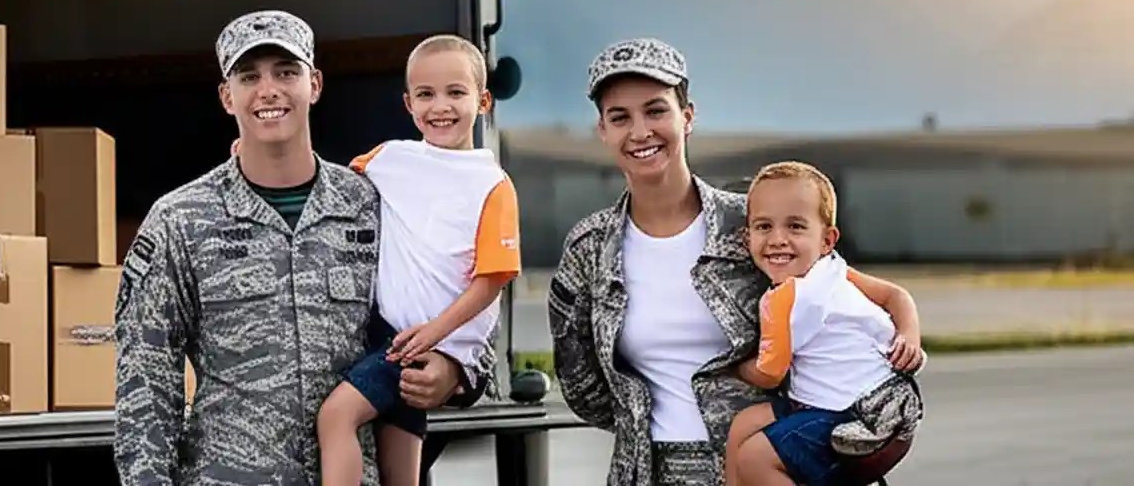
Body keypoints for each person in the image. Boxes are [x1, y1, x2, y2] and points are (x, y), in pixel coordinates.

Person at [114, 10, 475, 486]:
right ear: (227, 97)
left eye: (286, 72)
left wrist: (456, 371)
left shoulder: (375, 207)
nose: (269, 90)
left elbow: (455, 298)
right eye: (249, 77)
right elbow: (146, 385)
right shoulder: (180, 221)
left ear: (315, 84)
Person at [547, 37, 774, 486]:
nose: (639, 132)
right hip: (645, 473)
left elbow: (830, 316)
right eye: (620, 117)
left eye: (655, 110)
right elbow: (581, 385)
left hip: (763, 466)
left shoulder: (755, 225)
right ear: (603, 131)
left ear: (687, 117)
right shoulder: (589, 248)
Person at [315, 34, 522, 485]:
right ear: (408, 104)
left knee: (335, 417)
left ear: (483, 100)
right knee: (401, 463)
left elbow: (492, 281)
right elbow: (326, 182)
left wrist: (433, 335)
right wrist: (249, 156)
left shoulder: (492, 184)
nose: (440, 106)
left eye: (456, 92)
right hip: (390, 333)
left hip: (422, 344)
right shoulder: (391, 158)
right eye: (426, 95)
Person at [725, 161, 926, 486]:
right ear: (747, 236)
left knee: (754, 458)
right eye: (764, 227)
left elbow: (768, 373)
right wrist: (908, 334)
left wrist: (733, 367)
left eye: (795, 226)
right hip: (885, 404)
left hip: (851, 416)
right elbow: (895, 295)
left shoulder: (784, 300)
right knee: (743, 425)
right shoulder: (832, 270)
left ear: (827, 240)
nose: (777, 239)